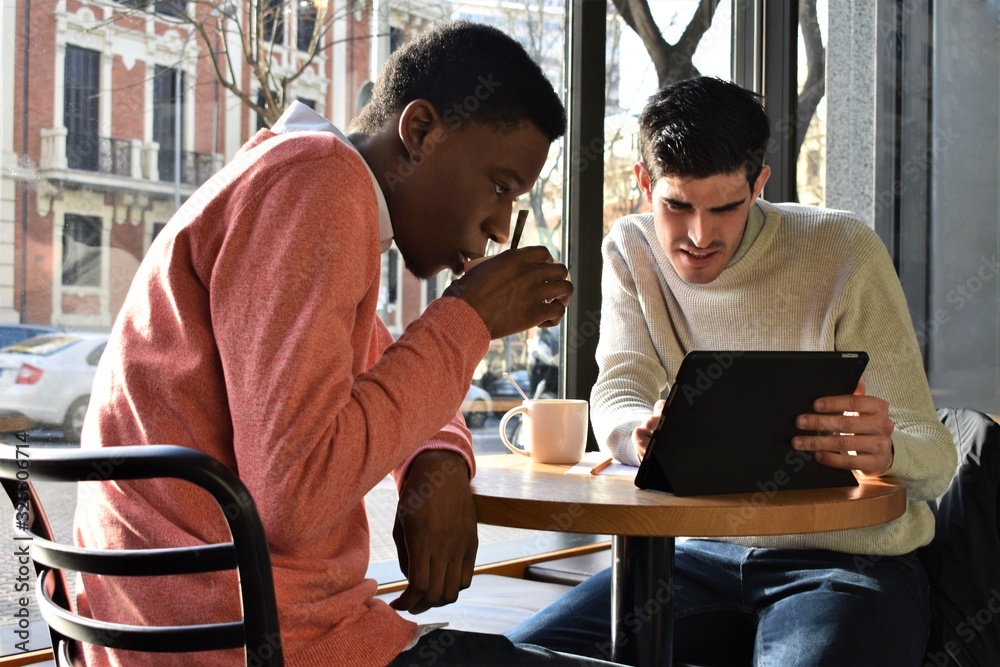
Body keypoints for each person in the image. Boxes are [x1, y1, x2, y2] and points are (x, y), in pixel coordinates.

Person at [73, 21, 618, 667]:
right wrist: (468, 316)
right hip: (260, 647)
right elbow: (295, 497)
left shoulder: (291, 173)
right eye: (500, 186)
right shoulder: (318, 184)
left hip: (205, 634)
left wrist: (435, 455)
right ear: (419, 132)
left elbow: (385, 370)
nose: (500, 227)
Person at [506, 76, 958, 666]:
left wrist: (888, 452)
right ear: (644, 183)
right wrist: (637, 432)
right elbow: (619, 385)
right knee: (521, 655)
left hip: (847, 563)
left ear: (759, 184)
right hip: (692, 555)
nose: (699, 236)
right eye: (676, 205)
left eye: (725, 208)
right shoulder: (630, 249)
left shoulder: (844, 249)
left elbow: (936, 459)